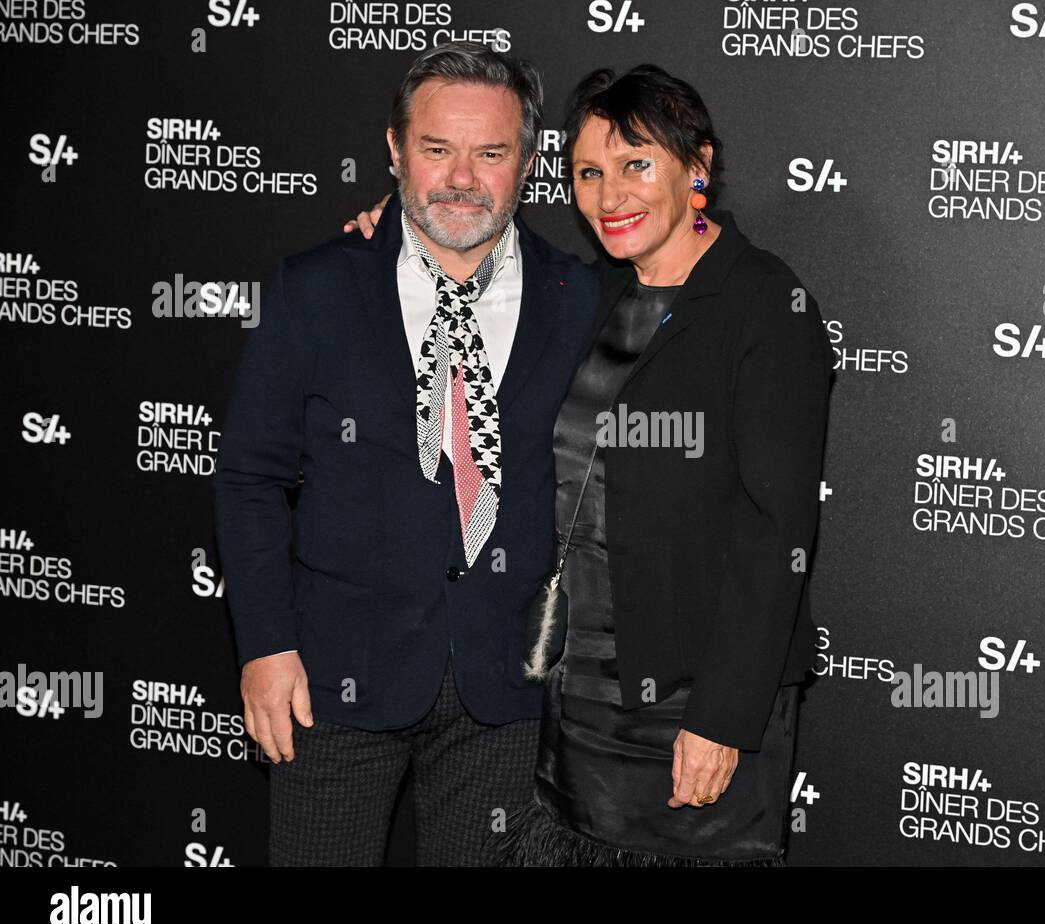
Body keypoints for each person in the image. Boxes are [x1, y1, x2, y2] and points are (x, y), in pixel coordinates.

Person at [348, 64, 833, 865]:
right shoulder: (590, 292)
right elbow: (467, 262)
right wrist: (390, 227)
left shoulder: (765, 307)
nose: (610, 196)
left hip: (694, 695)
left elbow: (775, 530)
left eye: (637, 165)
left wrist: (722, 716)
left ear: (697, 166)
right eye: (588, 173)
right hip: (576, 694)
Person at [213, 42, 599, 865]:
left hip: (508, 688)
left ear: (528, 162)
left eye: (490, 153)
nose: (461, 177)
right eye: (436, 149)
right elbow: (250, 478)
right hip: (331, 682)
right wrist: (265, 647)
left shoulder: (582, 299)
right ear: (394, 151)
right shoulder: (316, 287)